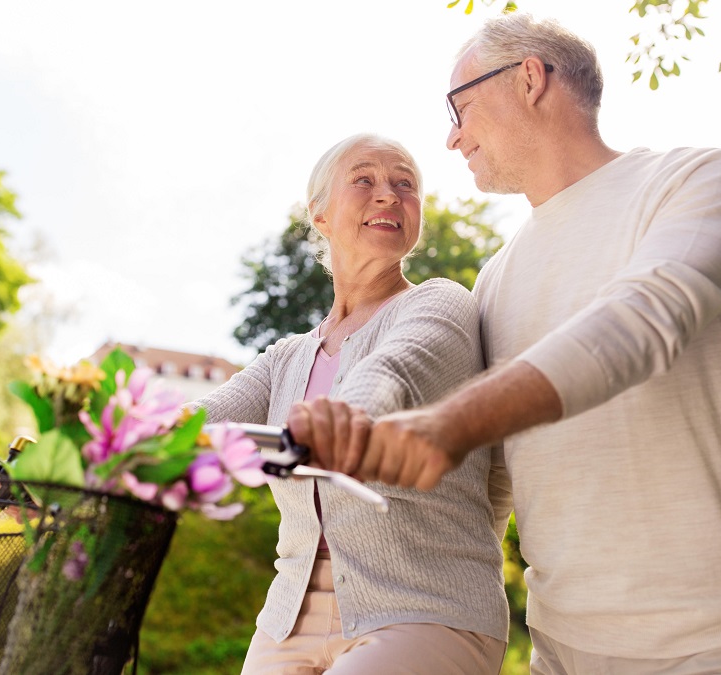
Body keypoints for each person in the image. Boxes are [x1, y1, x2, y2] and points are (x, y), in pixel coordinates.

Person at [293, 13, 721, 674]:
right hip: (560, 649)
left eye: (460, 107)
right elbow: (490, 488)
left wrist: (446, 422)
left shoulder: (694, 180)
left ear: (530, 78)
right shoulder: (496, 279)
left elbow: (642, 319)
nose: (452, 137)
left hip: (714, 639)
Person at [195, 133, 510, 674]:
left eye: (405, 184)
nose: (388, 194)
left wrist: (346, 415)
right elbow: (198, 423)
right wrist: (93, 438)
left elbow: (395, 370)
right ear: (319, 215)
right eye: (364, 179)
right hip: (288, 618)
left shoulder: (438, 302)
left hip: (425, 607)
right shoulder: (287, 357)